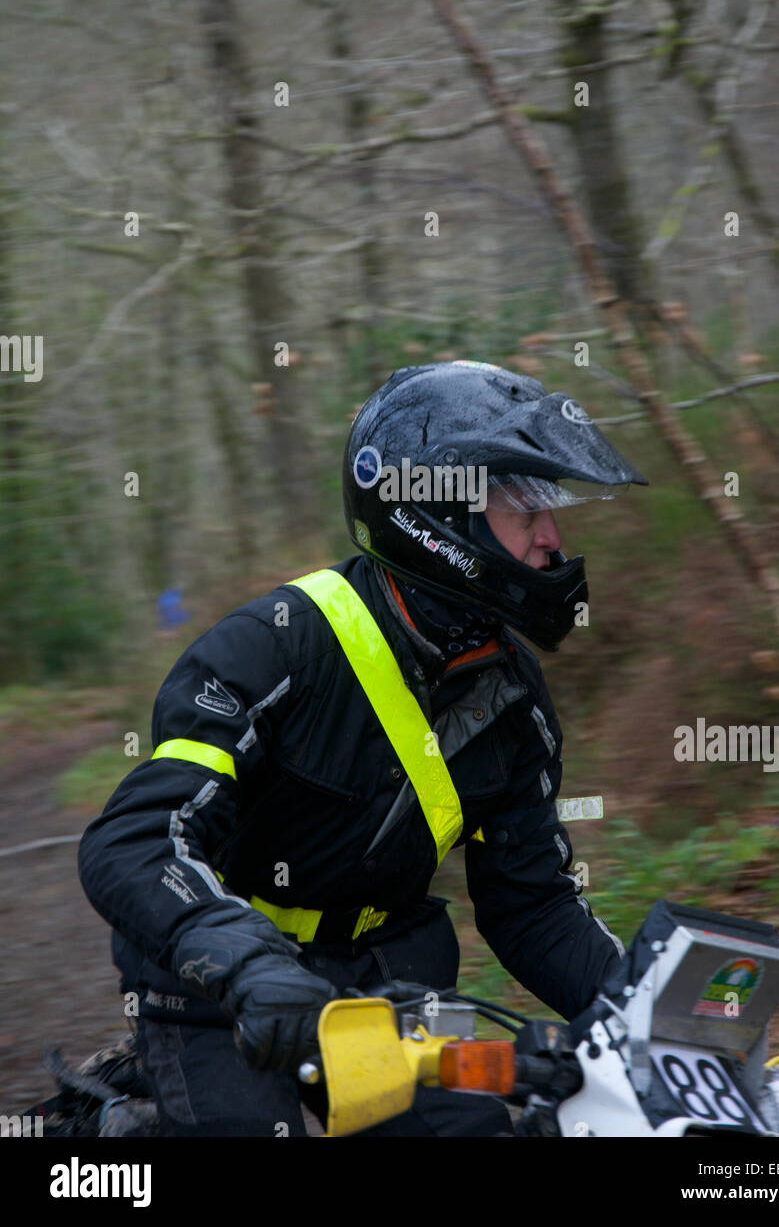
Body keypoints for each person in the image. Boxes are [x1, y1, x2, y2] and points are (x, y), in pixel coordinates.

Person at [78, 359, 647, 1137]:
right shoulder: (276, 647)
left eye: (553, 513)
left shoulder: (515, 700)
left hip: (387, 990)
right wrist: (243, 960)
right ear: (438, 518)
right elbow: (136, 840)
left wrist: (648, 1019)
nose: (553, 541)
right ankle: (120, 1127)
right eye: (524, 510)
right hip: (217, 985)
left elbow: (534, 905)